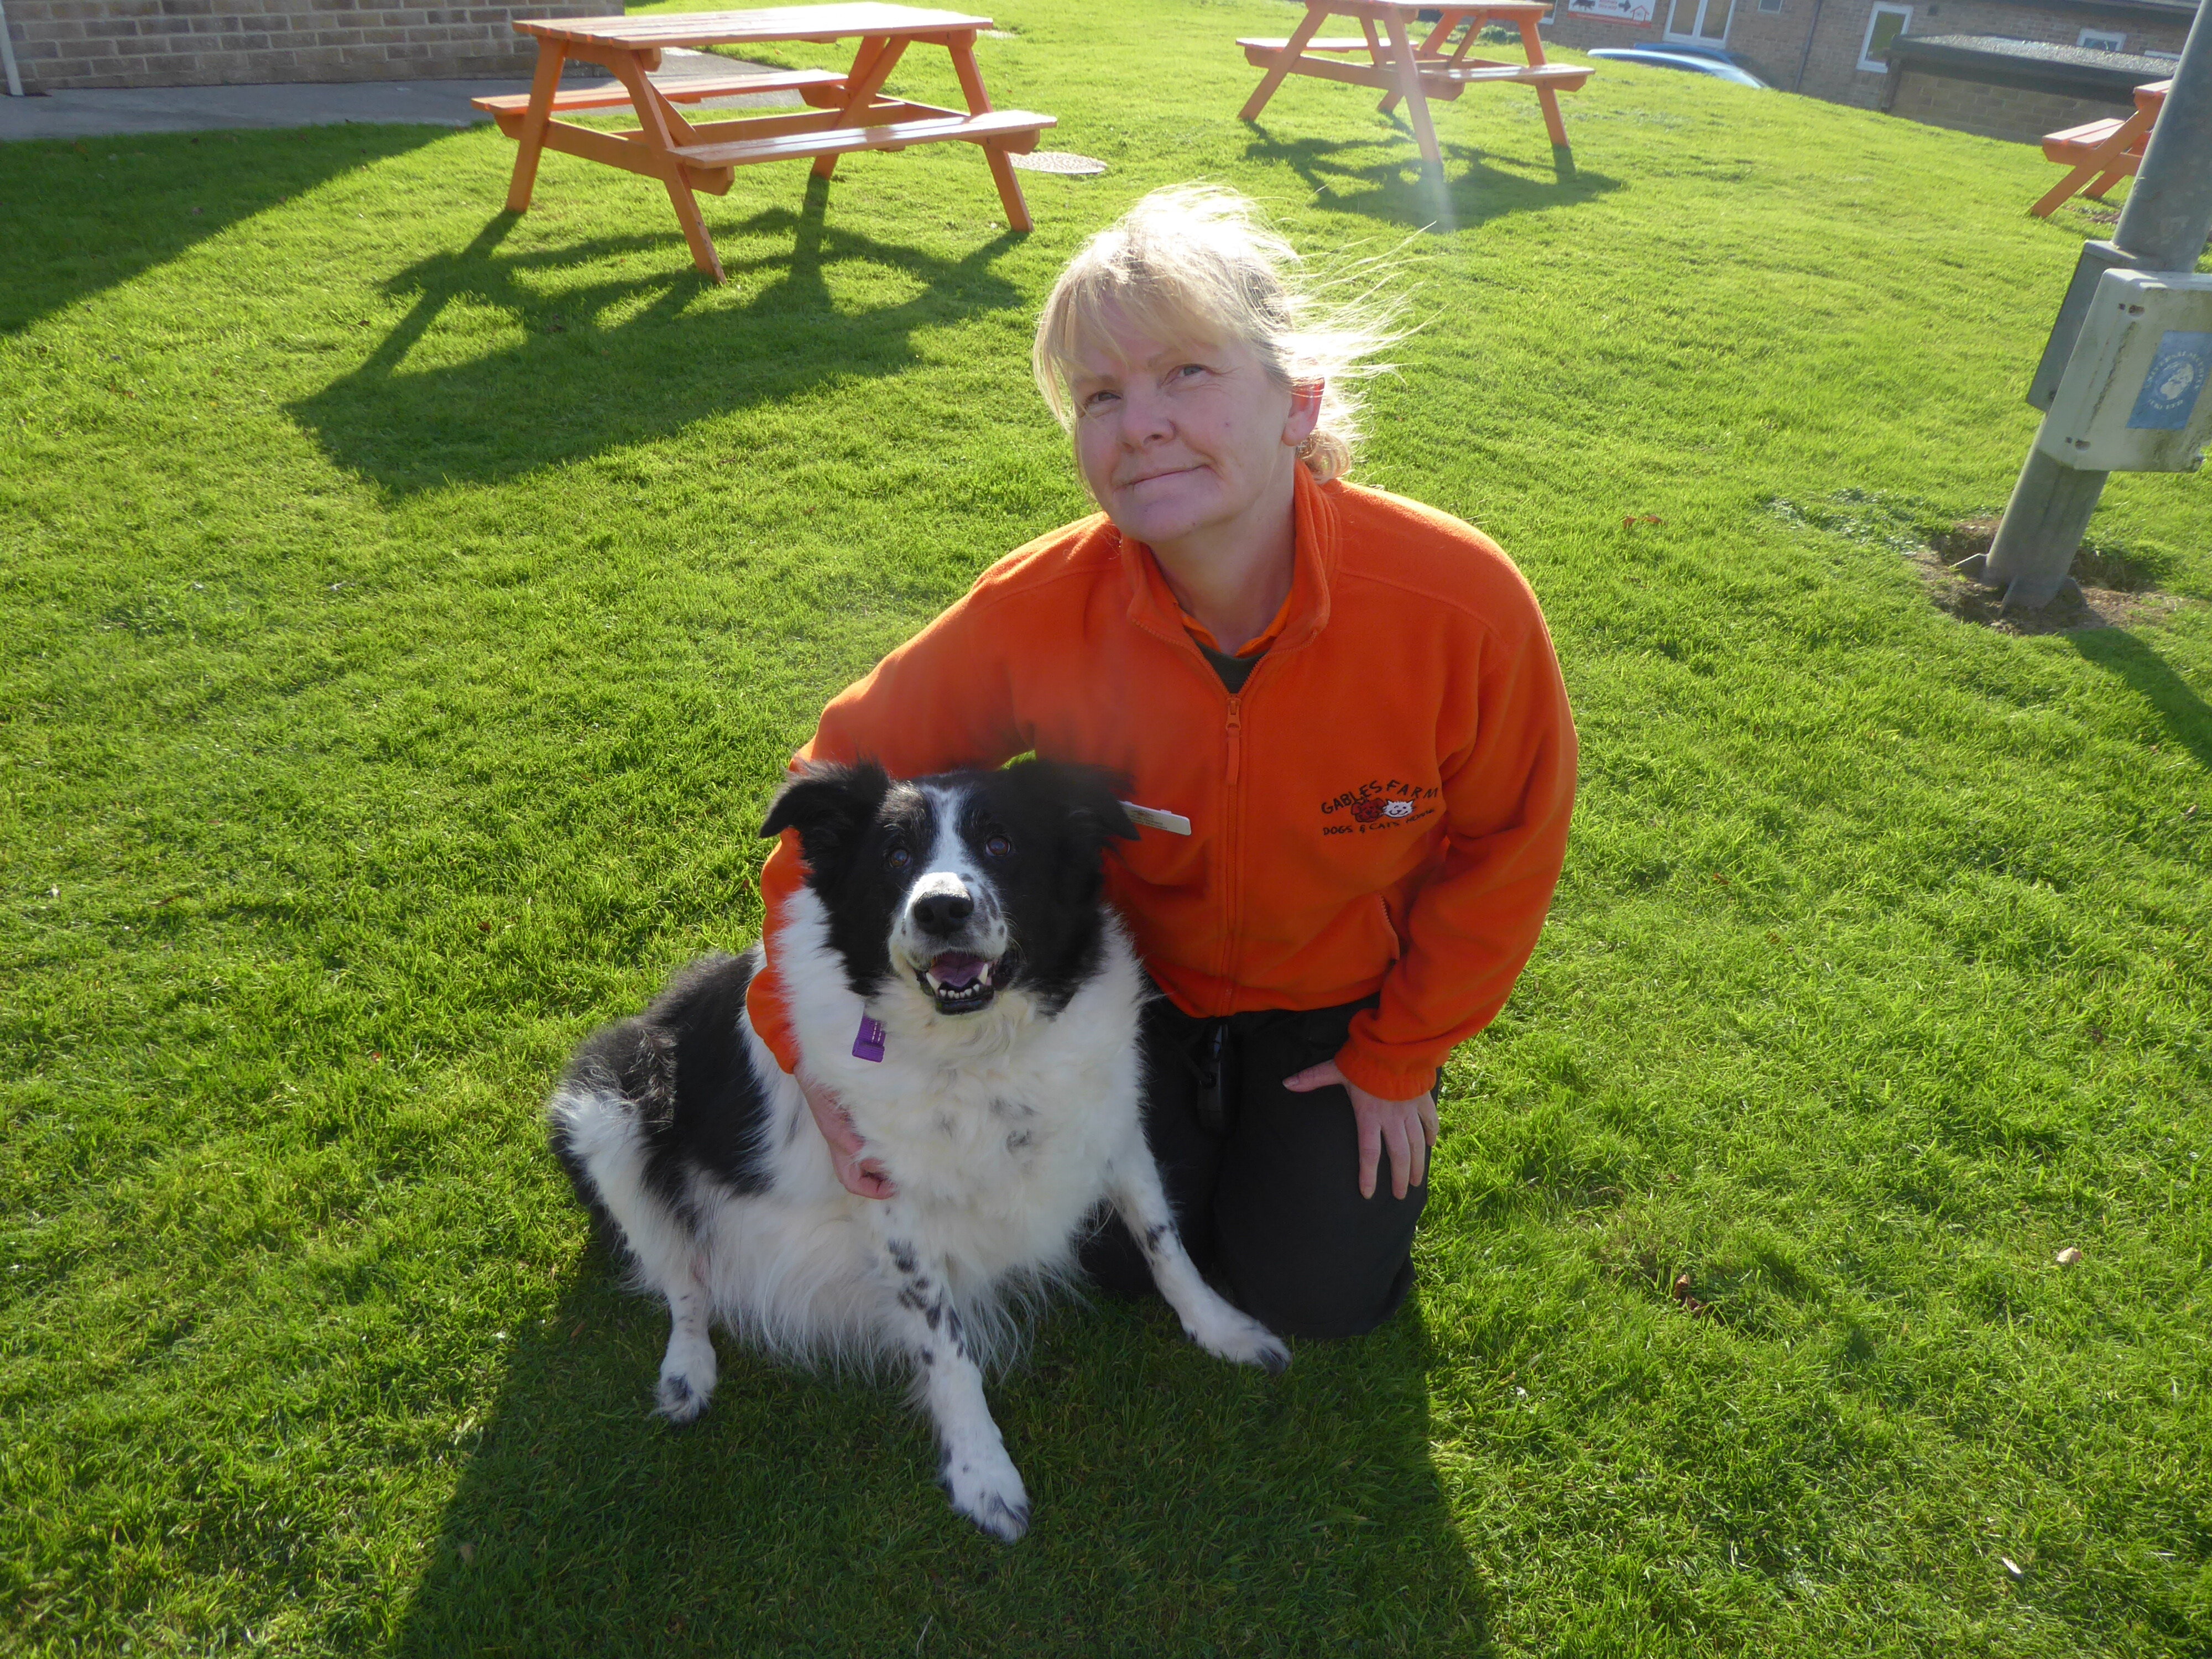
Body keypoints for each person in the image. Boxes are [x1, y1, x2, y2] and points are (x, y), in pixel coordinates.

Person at [747, 185, 1575, 1340]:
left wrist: (1398, 1054)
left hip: (1338, 1002)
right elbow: (826, 798)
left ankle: (1292, 1135)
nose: (1138, 423)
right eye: (1099, 395)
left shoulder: (1459, 605)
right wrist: (811, 1053)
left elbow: (1508, 844)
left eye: (1186, 373)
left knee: (1316, 1297)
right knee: (1112, 1265)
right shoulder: (1036, 608)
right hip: (1123, 990)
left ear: (1298, 399)